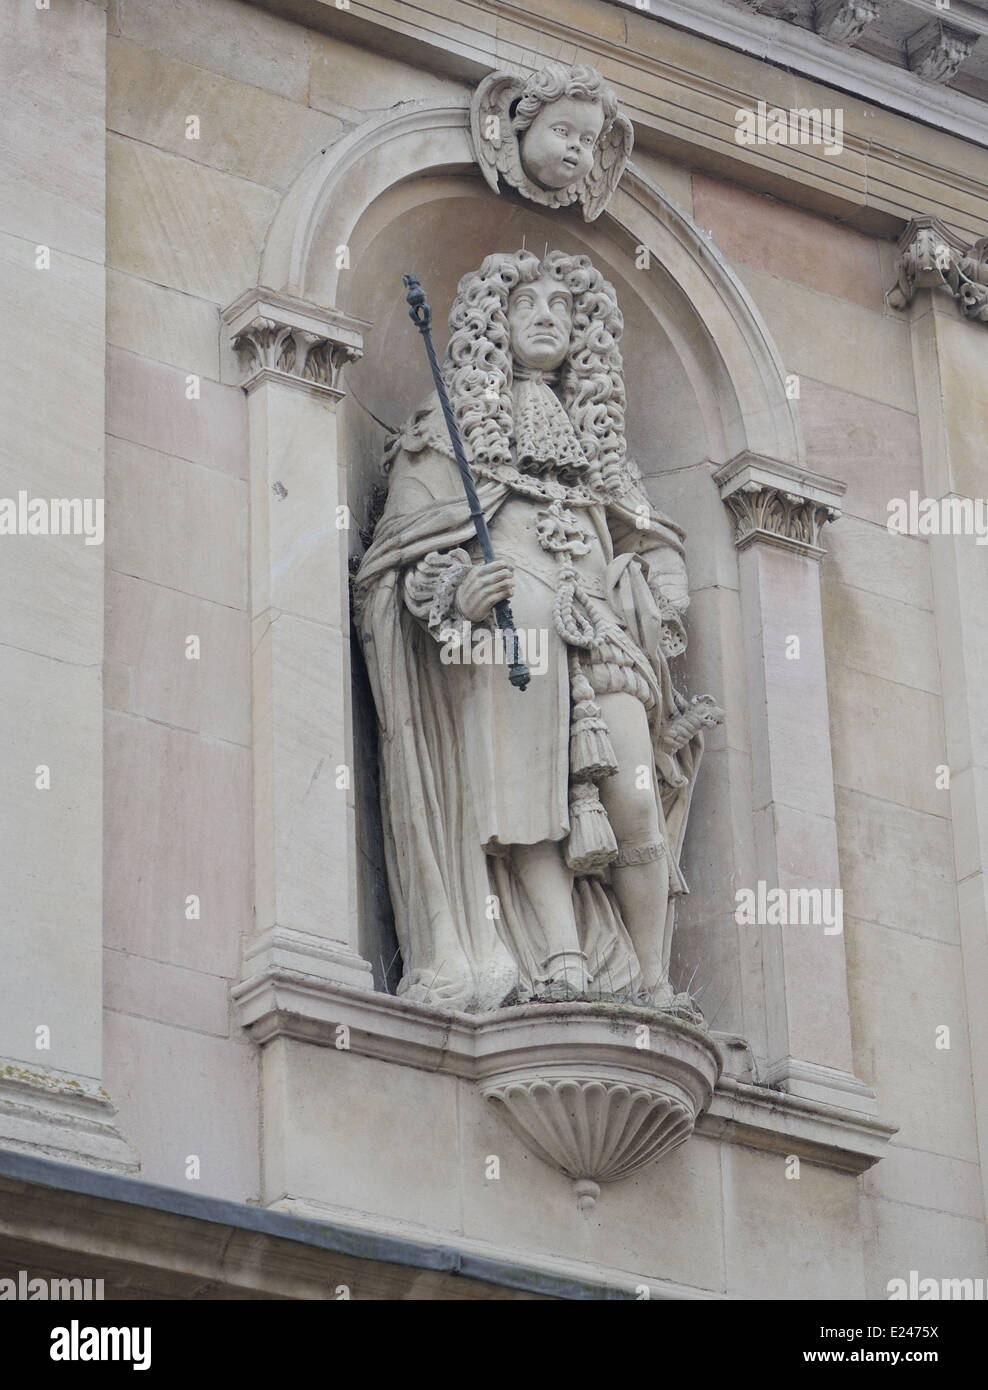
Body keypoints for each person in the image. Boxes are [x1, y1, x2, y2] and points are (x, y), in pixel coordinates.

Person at [354, 249, 720, 1013]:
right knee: (528, 798)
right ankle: (563, 965)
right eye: (529, 306)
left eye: (564, 309)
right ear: (498, 323)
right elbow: (404, 546)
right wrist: (459, 588)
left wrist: (658, 588)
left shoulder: (601, 453)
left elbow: (651, 540)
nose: (548, 317)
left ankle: (650, 982)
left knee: (634, 797)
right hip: (510, 642)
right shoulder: (448, 426)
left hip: (603, 640)